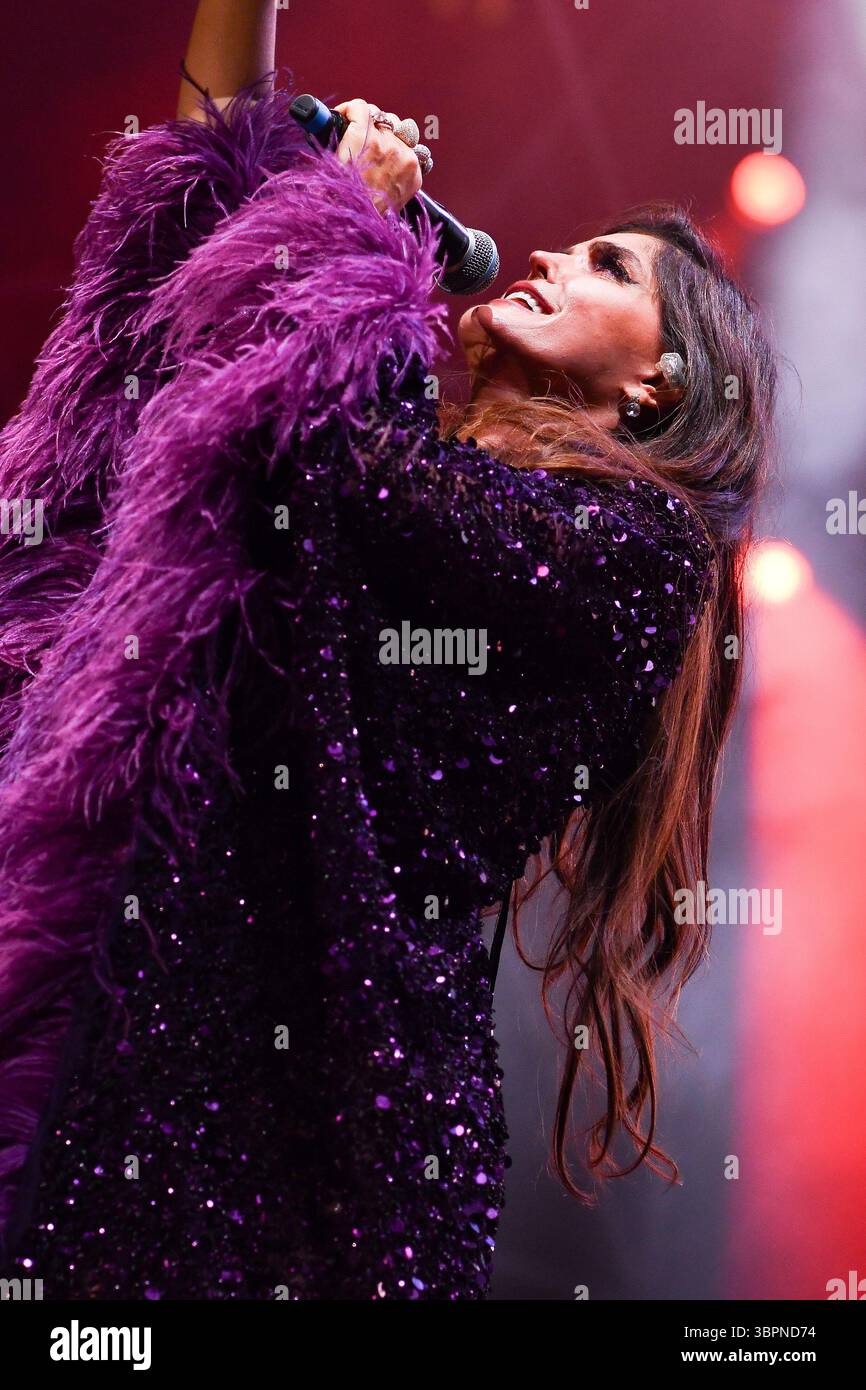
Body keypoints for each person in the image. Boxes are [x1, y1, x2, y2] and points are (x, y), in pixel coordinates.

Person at [0, 0, 775, 1299]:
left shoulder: (634, 552)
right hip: (164, 1029)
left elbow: (316, 462)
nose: (546, 254)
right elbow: (189, 308)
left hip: (322, 1136)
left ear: (655, 385)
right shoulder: (400, 438)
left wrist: (346, 228)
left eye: (607, 268)